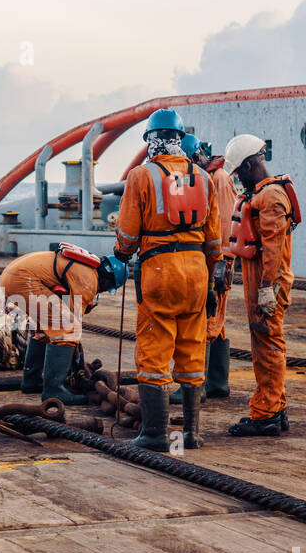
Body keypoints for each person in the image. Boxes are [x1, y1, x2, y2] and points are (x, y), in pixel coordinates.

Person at [113, 109, 222, 451]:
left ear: (151, 140)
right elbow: (215, 240)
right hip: (197, 273)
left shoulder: (141, 175)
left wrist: (121, 255)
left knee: (154, 349)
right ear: (178, 139)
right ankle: (191, 433)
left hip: (160, 273)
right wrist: (210, 276)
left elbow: (128, 234)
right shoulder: (203, 177)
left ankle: (156, 434)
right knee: (191, 348)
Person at [222, 134, 295, 437]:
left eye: (239, 171)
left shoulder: (270, 198)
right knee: (265, 343)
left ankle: (266, 413)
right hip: (263, 285)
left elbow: (274, 252)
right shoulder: (262, 195)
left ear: (251, 164)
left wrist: (267, 293)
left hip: (269, 287)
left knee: (267, 344)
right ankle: (274, 408)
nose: (238, 178)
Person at [0, 246, 127, 404]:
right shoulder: (89, 278)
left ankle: (31, 382)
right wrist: (75, 360)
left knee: (45, 330)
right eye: (108, 288)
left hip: (12, 276)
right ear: (109, 280)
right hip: (23, 279)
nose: (103, 290)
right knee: (67, 329)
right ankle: (54, 390)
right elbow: (75, 318)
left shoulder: (83, 268)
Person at [170, 133, 235, 402]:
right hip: (211, 258)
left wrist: (219, 263)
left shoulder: (217, 179)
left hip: (217, 261)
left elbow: (225, 223)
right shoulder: (202, 179)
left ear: (196, 157)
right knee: (216, 323)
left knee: (206, 320)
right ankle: (218, 383)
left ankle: (198, 387)